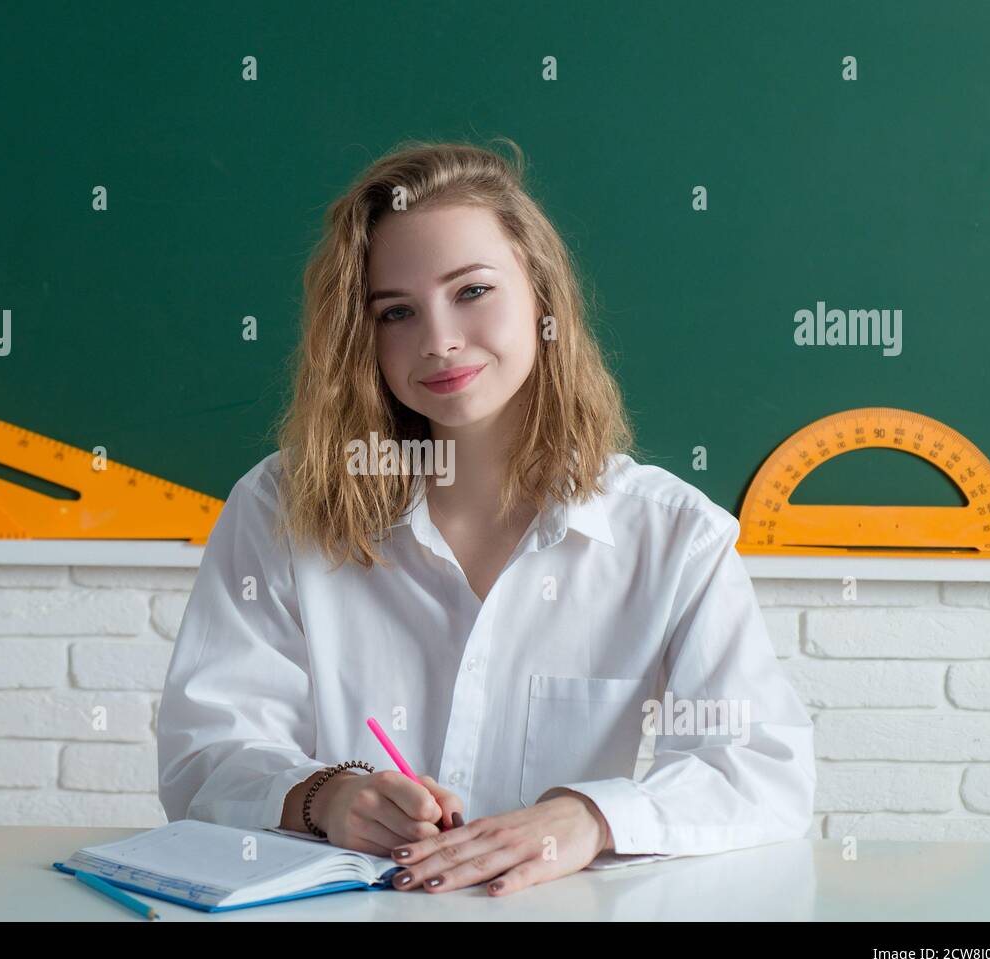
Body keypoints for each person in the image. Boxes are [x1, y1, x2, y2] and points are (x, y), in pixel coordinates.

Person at [158, 139, 815, 898]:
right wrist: (324, 797)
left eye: (472, 291)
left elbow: (761, 767)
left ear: (542, 298)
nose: (438, 340)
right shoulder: (280, 508)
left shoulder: (672, 536)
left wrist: (590, 817)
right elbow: (205, 752)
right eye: (396, 312)